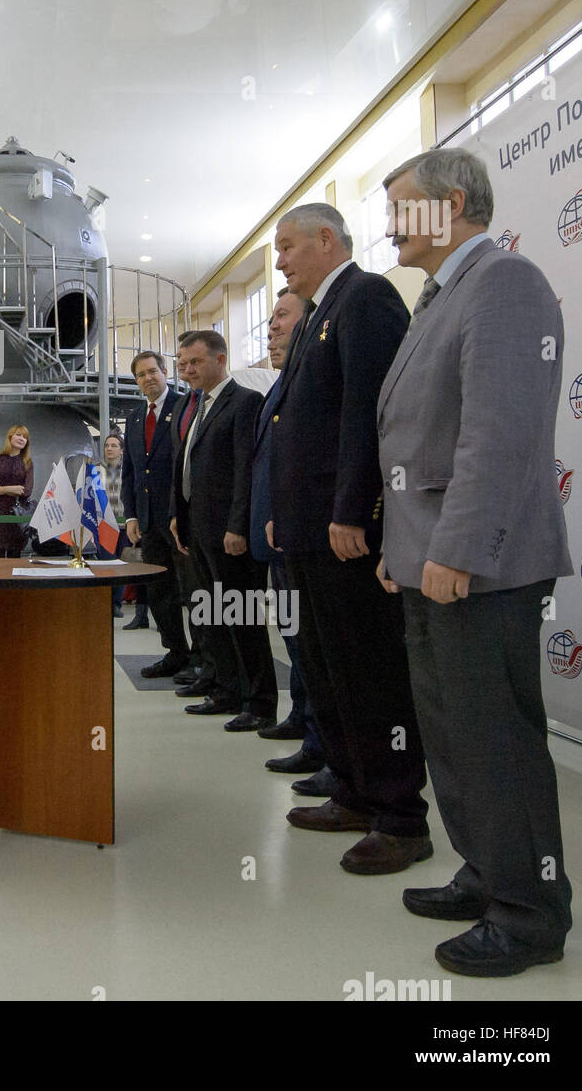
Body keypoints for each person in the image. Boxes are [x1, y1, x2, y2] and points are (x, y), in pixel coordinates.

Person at [377, 148, 572, 976]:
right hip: (427, 563)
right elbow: (418, 438)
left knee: (496, 742)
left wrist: (454, 549)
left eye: (401, 206)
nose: (388, 223)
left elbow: (498, 435)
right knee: (450, 734)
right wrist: (402, 550)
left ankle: (529, 915)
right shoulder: (439, 298)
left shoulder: (504, 282)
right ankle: (486, 872)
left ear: (451, 204)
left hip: (478, 568)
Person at [267, 202, 430, 876]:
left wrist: (353, 510)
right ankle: (353, 790)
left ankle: (400, 817)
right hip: (309, 531)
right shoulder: (316, 319)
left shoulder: (367, 300)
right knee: (329, 671)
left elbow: (373, 414)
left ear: (326, 240)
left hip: (345, 532)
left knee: (369, 673)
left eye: (286, 247)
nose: (279, 262)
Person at [168, 331, 274, 730]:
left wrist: (237, 525)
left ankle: (260, 703)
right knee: (214, 616)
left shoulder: (245, 402)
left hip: (230, 533)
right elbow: (191, 464)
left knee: (243, 617)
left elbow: (247, 469)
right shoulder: (198, 406)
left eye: (194, 362)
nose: (187, 369)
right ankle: (227, 692)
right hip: (198, 528)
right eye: (182, 362)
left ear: (220, 359)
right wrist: (180, 514)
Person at [252, 289, 326, 780]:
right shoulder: (280, 387)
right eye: (272, 317)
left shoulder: (309, 383)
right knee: (294, 635)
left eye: (282, 316)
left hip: (306, 532)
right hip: (281, 534)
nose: (272, 327)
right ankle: (302, 718)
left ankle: (322, 741)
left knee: (313, 643)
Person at [120, 351, 187, 679]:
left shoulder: (186, 406)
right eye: (140, 374)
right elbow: (130, 473)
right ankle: (176, 652)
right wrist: (131, 516)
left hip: (179, 520)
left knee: (190, 589)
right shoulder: (133, 418)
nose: (147, 378)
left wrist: (181, 512)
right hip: (147, 521)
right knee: (160, 591)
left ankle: (204, 658)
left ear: (165, 372)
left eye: (152, 372)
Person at [0, 425, 34, 558]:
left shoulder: (27, 462)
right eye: (18, 434)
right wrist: (11, 489)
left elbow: (26, 491)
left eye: (25, 437)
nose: (22, 439)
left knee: (14, 559)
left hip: (17, 517)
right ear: (10, 437)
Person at [95, 431, 129, 615]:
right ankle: (106, 603)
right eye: (107, 445)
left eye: (114, 445)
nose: (109, 448)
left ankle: (117, 603)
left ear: (122, 450)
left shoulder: (128, 470)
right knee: (107, 565)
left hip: (125, 525)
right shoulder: (96, 470)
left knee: (122, 565)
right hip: (105, 525)